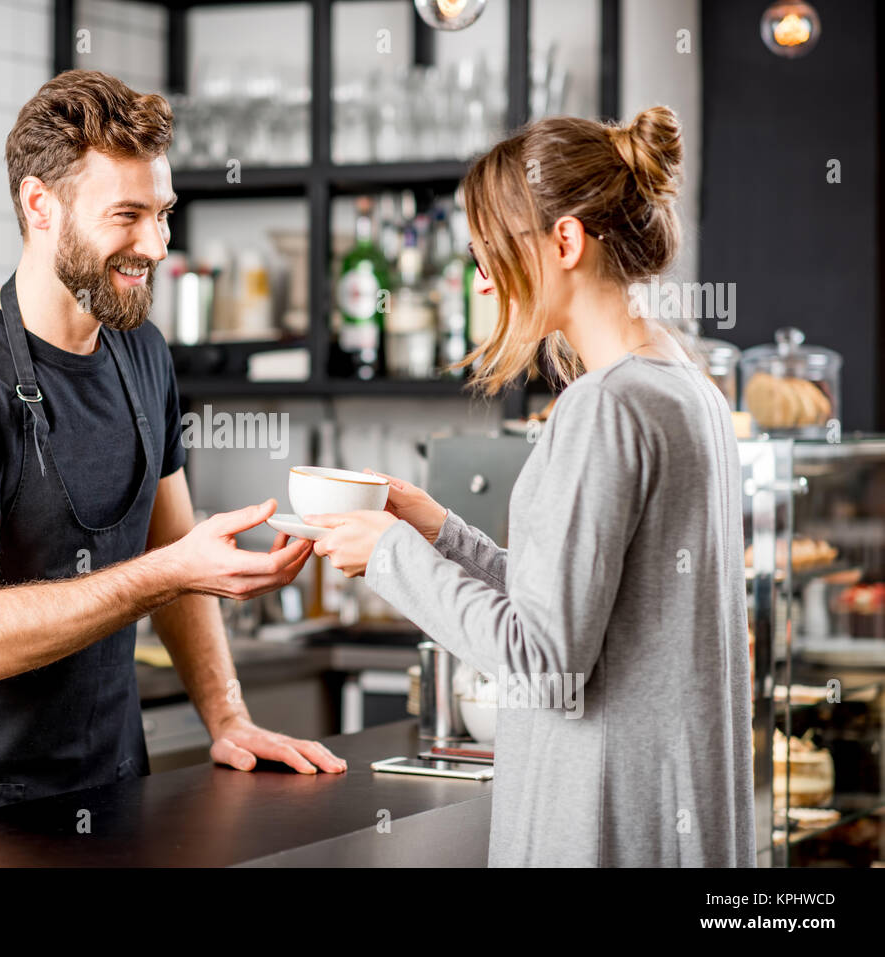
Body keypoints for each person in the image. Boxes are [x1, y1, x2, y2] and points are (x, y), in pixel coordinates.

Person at [0, 70, 343, 834]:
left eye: (163, 214)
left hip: (111, 802)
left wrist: (228, 715)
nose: (155, 244)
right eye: (127, 215)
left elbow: (175, 557)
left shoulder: (143, 352)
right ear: (39, 205)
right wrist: (170, 569)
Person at [308, 107, 755, 867]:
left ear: (566, 241)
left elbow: (547, 662)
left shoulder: (605, 404)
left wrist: (390, 556)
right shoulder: (686, 387)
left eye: (490, 254)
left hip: (602, 828)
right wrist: (438, 531)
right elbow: (586, 610)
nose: (483, 280)